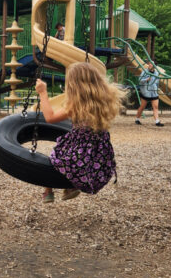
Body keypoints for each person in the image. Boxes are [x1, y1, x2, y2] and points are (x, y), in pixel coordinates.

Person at [32, 61, 122, 203]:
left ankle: (48, 191)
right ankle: (71, 187)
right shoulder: (104, 99)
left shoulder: (77, 104)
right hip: (98, 150)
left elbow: (50, 117)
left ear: (75, 85)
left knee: (55, 158)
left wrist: (43, 92)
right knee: (73, 163)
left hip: (81, 146)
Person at [135, 60, 164, 126]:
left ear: (154, 66)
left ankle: (157, 122)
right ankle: (137, 119)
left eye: (151, 64)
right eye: (149, 63)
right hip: (146, 92)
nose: (149, 65)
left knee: (155, 107)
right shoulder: (145, 72)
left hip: (154, 92)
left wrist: (157, 88)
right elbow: (140, 80)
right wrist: (146, 80)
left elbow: (157, 82)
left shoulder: (156, 73)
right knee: (142, 107)